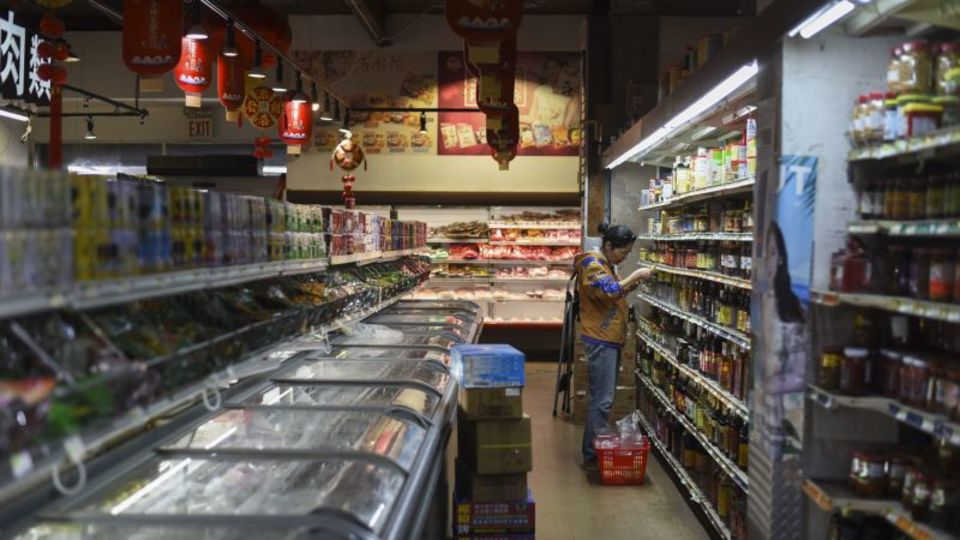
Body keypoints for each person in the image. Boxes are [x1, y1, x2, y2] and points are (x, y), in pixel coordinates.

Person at [574, 222, 652, 471]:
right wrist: (635, 276)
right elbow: (607, 292)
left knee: (603, 397)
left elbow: (611, 298)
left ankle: (594, 449)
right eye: (622, 252)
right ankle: (591, 454)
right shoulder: (592, 265)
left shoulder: (606, 263)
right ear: (608, 246)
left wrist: (630, 286)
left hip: (609, 336)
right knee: (603, 400)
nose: (624, 256)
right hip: (601, 338)